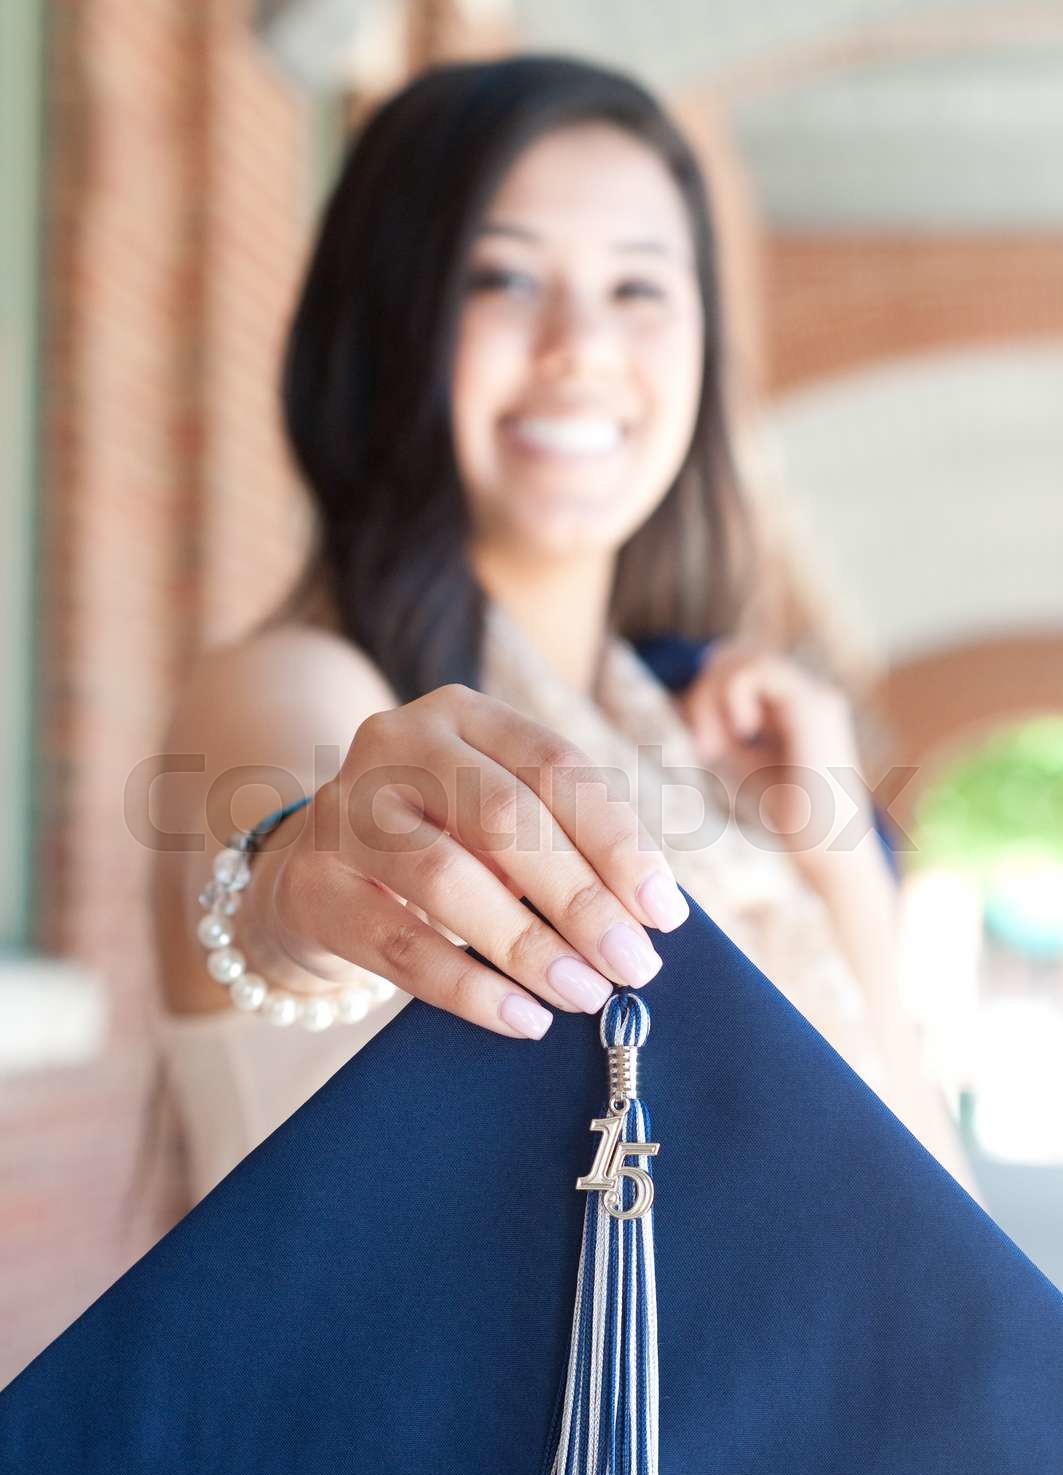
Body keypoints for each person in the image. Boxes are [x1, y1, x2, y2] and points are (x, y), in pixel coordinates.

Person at [148, 53, 979, 1211]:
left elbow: (938, 1217)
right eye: (502, 278)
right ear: (385, 333)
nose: (582, 344)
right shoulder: (299, 681)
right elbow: (295, 854)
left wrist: (842, 871)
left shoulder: (711, 747)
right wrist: (301, 878)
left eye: (639, 288)